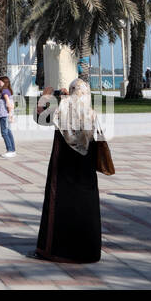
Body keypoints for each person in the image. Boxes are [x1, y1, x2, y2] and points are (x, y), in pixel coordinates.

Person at [34, 79, 102, 263]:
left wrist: (46, 96)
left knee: (59, 204)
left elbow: (40, 117)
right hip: (85, 170)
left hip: (63, 167)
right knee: (84, 207)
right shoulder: (91, 113)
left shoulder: (62, 109)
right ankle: (88, 251)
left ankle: (56, 250)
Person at [0, 75, 16, 158]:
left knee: (4, 132)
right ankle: (12, 150)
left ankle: (10, 150)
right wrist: (11, 114)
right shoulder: (8, 90)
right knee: (8, 131)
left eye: (0, 81)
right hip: (6, 114)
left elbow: (8, 103)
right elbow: (11, 103)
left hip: (4, 115)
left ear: (4, 82)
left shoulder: (4, 91)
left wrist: (10, 114)